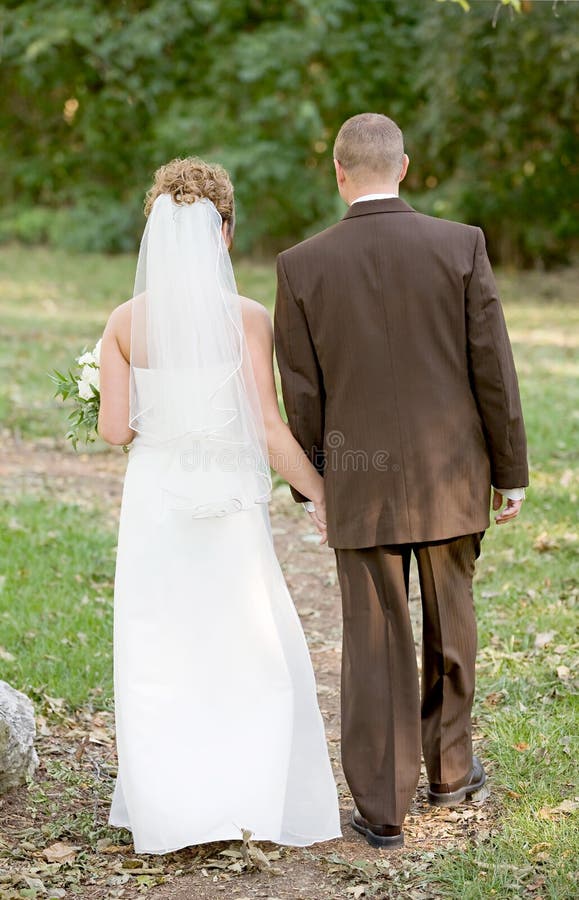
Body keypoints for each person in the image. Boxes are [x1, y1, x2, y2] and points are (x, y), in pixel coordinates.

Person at [274, 113, 528, 849]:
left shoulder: (301, 264)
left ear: (338, 171)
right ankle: (450, 772)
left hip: (360, 482)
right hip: (451, 477)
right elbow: (493, 369)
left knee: (374, 639)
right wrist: (507, 473)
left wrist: (315, 487)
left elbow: (305, 395)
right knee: (453, 624)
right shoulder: (459, 245)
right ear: (404, 167)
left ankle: (382, 807)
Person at [97, 157, 341, 854]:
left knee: (158, 646)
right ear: (224, 234)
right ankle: (248, 798)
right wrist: (320, 491)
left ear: (153, 231)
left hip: (157, 501)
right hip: (229, 498)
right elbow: (267, 427)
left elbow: (116, 431)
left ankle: (170, 809)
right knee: (243, 642)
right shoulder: (247, 318)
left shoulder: (123, 323)